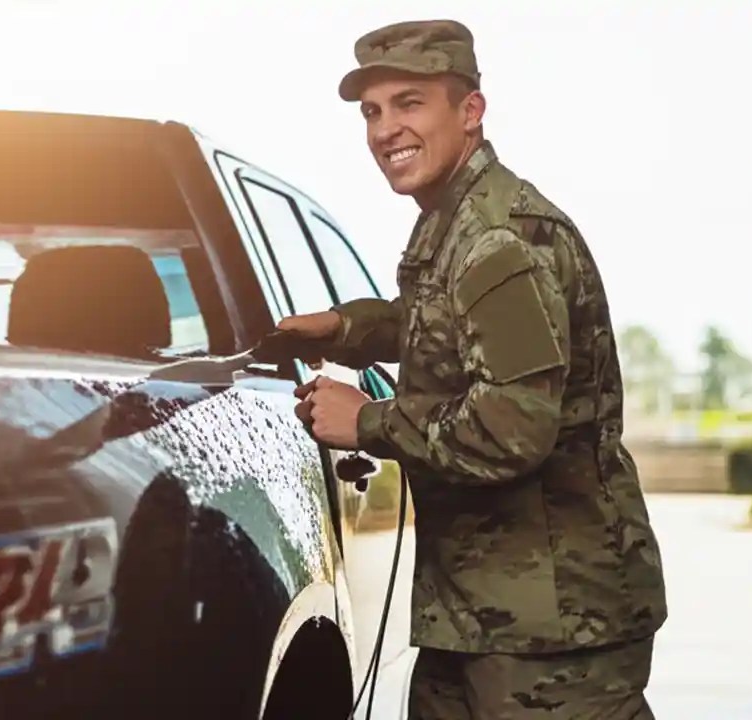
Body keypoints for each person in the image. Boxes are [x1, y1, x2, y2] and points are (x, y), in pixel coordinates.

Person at [281, 18, 668, 719]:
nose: (384, 130)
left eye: (409, 103)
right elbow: (445, 325)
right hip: (480, 612)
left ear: (470, 111)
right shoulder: (453, 219)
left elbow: (512, 428)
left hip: (551, 626)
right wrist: (348, 330)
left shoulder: (498, 241)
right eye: (372, 111)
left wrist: (366, 421)